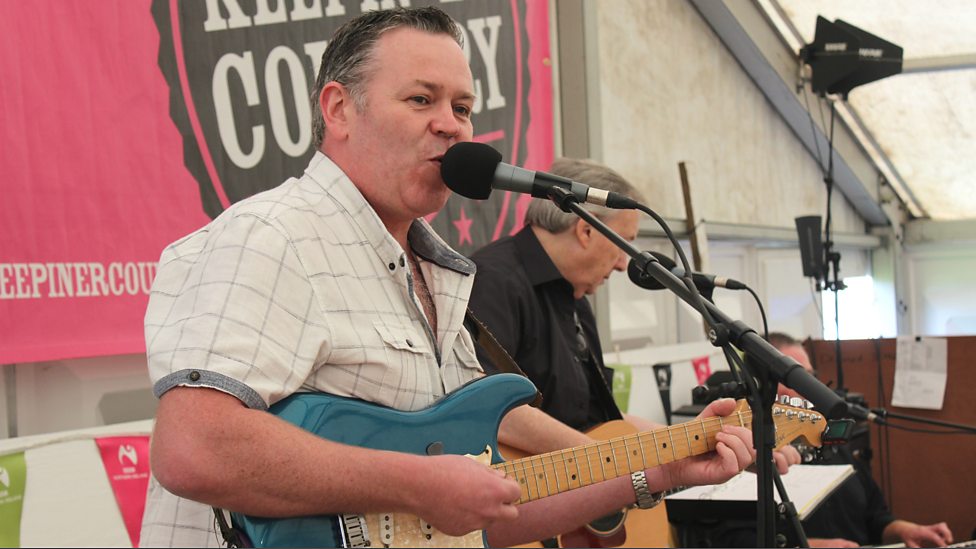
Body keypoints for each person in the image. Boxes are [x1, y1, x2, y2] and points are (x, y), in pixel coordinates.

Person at [139, 7, 760, 548]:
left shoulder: (432, 276)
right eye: (421, 99)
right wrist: (418, 483)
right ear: (338, 110)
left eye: (463, 107)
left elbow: (487, 512)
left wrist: (661, 472)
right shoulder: (272, 236)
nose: (453, 125)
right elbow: (195, 448)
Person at [468, 158, 799, 477]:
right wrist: (616, 469)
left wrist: (696, 443)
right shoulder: (494, 281)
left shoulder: (575, 299)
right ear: (586, 231)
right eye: (623, 243)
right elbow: (490, 407)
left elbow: (599, 419)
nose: (624, 264)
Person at [769, 332, 954, 548]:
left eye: (808, 378)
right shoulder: (749, 459)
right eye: (791, 380)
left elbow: (874, 517)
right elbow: (734, 540)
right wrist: (814, 545)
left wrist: (906, 530)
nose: (803, 389)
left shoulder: (828, 444)